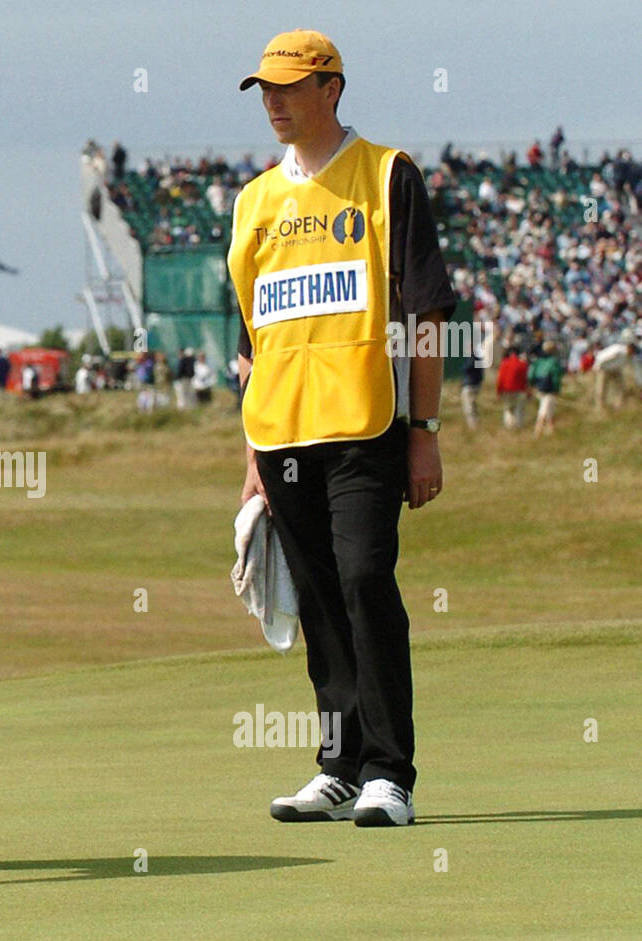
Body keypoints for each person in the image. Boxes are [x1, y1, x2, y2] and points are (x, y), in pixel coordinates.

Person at [229, 30, 455, 828]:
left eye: (290, 88)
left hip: (368, 425)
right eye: (265, 90)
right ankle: (339, 763)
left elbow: (426, 314)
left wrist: (424, 427)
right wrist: (251, 454)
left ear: (332, 88)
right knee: (320, 597)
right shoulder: (252, 202)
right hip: (282, 436)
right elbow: (253, 343)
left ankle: (390, 771)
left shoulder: (388, 175)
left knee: (364, 579)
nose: (275, 103)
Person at [592, 333, 636, 410]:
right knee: (601, 389)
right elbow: (603, 357)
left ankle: (618, 406)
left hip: (615, 370)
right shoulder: (618, 350)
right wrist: (597, 365)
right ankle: (600, 408)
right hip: (604, 369)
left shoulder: (628, 356)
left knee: (621, 387)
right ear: (629, 348)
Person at [529, 340, 563, 436]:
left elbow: (531, 375)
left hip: (539, 387)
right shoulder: (553, 362)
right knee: (544, 410)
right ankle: (537, 432)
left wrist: (532, 384)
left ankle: (551, 431)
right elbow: (556, 377)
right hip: (549, 389)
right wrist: (557, 389)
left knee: (549, 410)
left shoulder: (538, 361)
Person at [495, 346, 530, 429]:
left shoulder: (504, 363)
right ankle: (518, 426)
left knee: (508, 409)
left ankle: (509, 425)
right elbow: (525, 380)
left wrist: (498, 392)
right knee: (519, 408)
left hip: (506, 390)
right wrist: (527, 390)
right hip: (519, 390)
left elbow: (500, 379)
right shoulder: (523, 364)